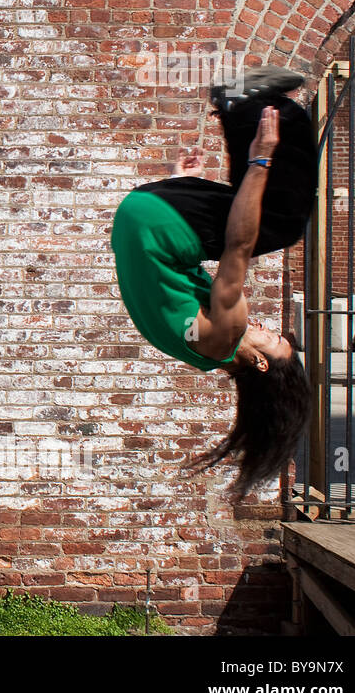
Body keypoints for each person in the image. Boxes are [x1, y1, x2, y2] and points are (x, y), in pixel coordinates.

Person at [111, 66, 319, 499]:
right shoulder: (195, 350)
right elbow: (155, 279)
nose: (265, 328)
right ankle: (237, 104)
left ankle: (248, 103)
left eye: (273, 339)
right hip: (142, 211)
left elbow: (238, 245)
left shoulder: (225, 334)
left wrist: (262, 157)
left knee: (280, 223)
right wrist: (177, 183)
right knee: (253, 200)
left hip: (161, 220)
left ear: (261, 364)